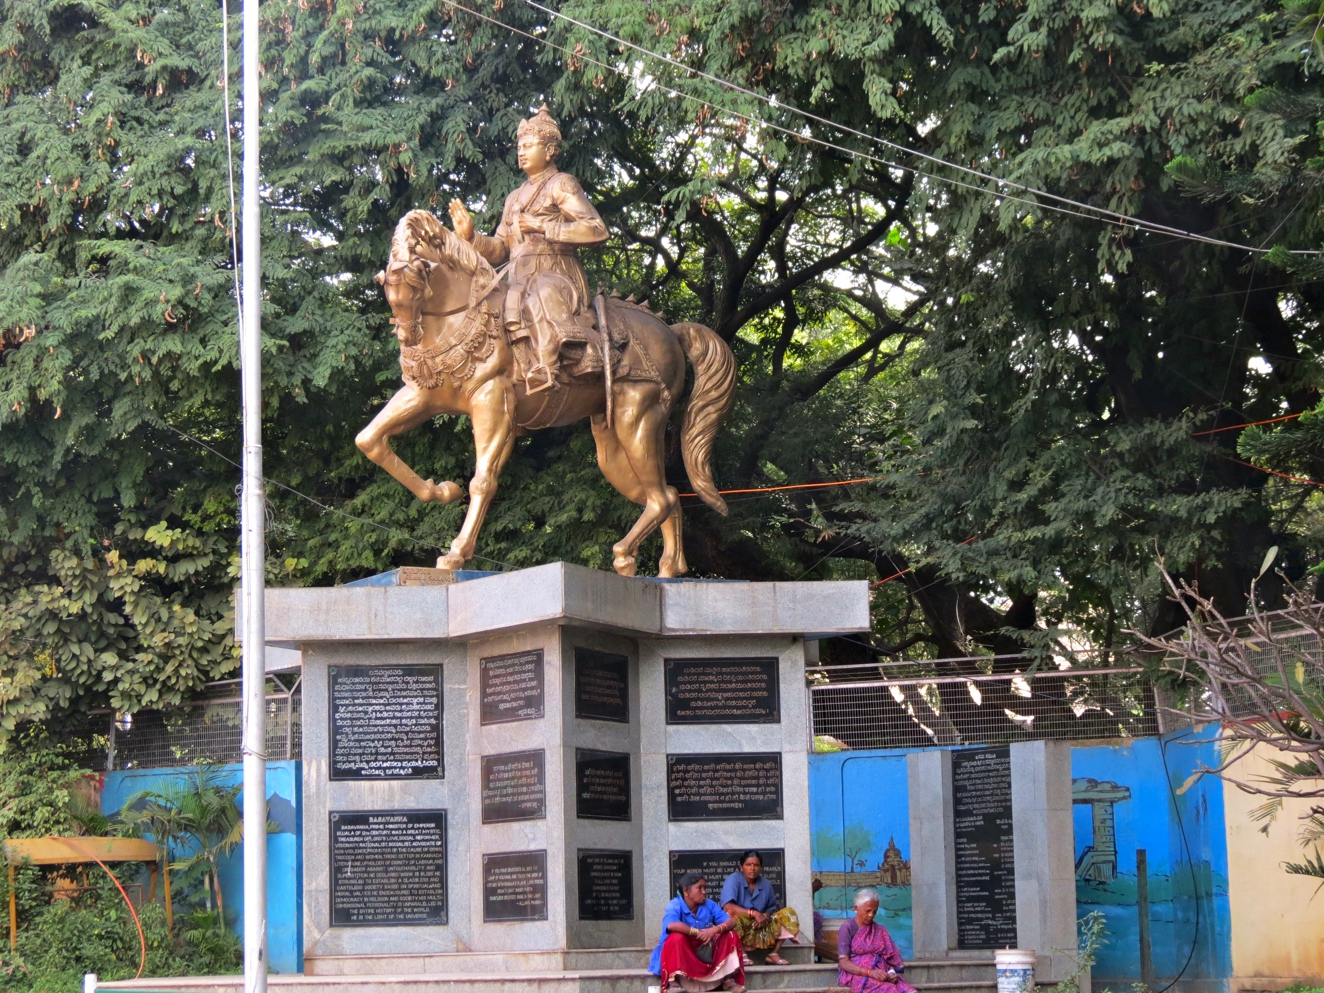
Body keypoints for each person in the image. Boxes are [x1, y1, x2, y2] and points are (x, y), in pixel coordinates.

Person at [449, 104, 608, 392]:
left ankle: (551, 365)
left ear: (549, 150)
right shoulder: (514, 197)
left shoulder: (561, 184)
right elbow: (501, 249)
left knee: (540, 293)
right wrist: (472, 238)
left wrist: (543, 226)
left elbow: (596, 229)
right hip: (518, 279)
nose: (521, 152)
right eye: (519, 146)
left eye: (528, 145)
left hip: (557, 275)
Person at [649, 872, 746, 993]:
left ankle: (727, 979)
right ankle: (673, 982)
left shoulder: (709, 904)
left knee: (730, 935)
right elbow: (672, 925)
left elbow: (731, 922)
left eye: (705, 888)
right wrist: (698, 933)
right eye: (699, 888)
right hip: (682, 953)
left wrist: (714, 930)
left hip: (704, 950)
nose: (704, 892)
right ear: (686, 891)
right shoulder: (675, 904)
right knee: (676, 937)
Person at [719, 850, 801, 966]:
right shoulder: (733, 879)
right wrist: (754, 914)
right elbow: (728, 906)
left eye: (756, 865)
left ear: (761, 867)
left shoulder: (765, 883)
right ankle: (741, 953)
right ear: (741, 867)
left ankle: (773, 954)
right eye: (748, 865)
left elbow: (771, 908)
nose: (752, 868)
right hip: (741, 927)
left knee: (789, 913)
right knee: (730, 915)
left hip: (761, 927)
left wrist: (764, 917)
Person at [836, 888, 916, 993]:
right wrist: (870, 972)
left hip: (882, 973)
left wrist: (891, 973)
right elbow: (843, 962)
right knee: (888, 989)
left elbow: (891, 958)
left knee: (906, 990)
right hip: (859, 974)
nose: (871, 915)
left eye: (875, 911)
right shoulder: (847, 928)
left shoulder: (880, 930)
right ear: (856, 908)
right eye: (868, 911)